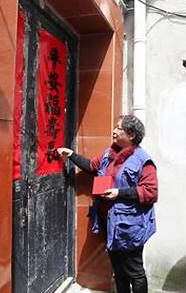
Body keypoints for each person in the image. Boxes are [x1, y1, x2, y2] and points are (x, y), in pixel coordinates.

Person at [57, 114, 157, 293]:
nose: (114, 131)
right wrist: (71, 155)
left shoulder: (144, 161)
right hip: (110, 223)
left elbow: (150, 192)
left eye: (119, 128)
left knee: (134, 271)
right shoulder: (108, 153)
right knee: (118, 270)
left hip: (129, 227)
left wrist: (119, 193)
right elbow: (92, 166)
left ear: (131, 135)